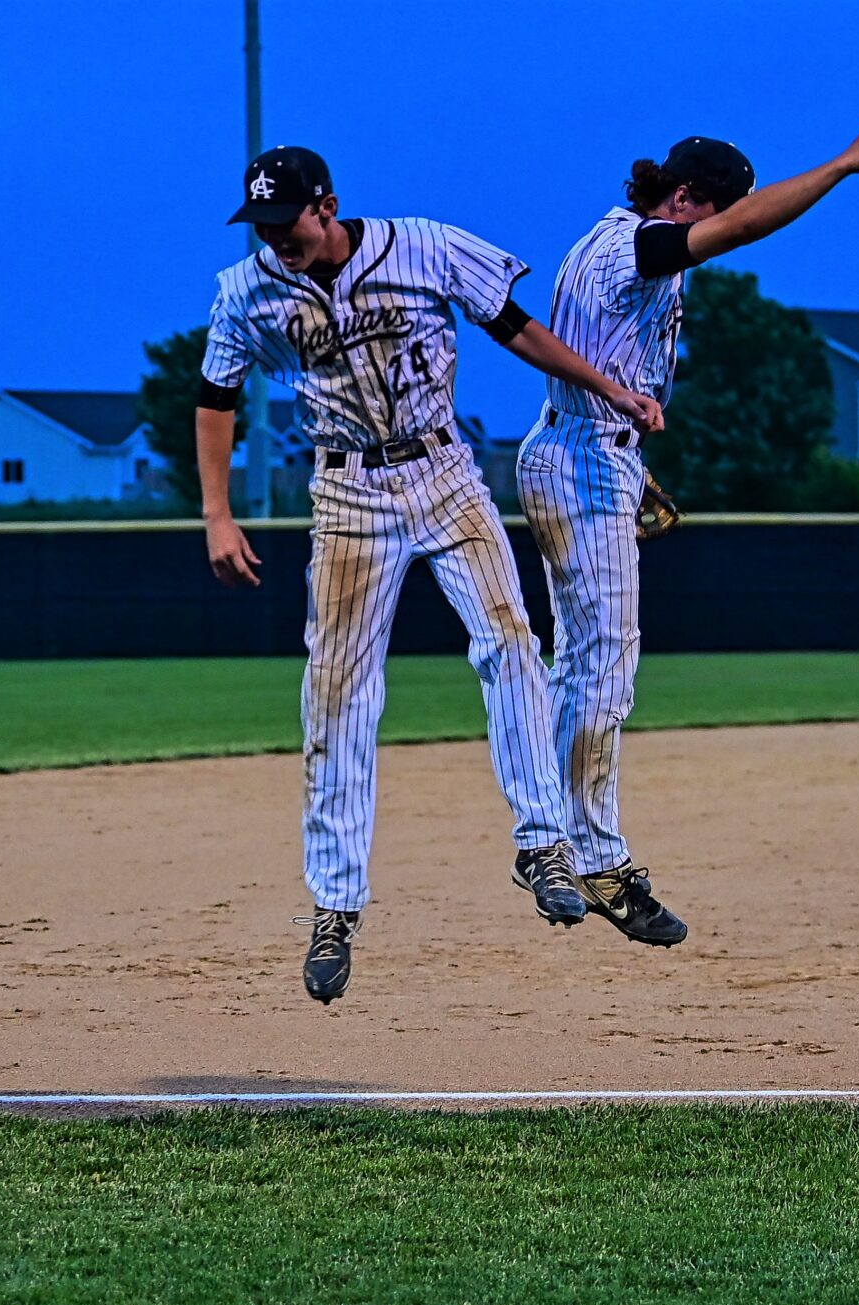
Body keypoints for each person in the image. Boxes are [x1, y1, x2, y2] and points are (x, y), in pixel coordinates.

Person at [197, 145, 665, 1006]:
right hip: (347, 492)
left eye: (287, 220)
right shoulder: (249, 289)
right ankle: (335, 905)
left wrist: (613, 392)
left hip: (445, 473)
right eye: (261, 225)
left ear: (327, 205)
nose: (276, 239)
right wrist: (217, 513)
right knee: (336, 691)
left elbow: (517, 327)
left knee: (512, 643)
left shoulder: (422, 245)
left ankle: (544, 844)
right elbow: (216, 398)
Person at [517, 125, 859, 947]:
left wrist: (619, 460)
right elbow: (744, 226)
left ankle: (552, 836)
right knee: (606, 665)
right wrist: (841, 164)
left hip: (579, 450)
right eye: (713, 210)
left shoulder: (606, 241)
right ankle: (584, 854)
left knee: (580, 662)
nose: (717, 227)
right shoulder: (640, 243)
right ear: (685, 197)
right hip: (584, 457)